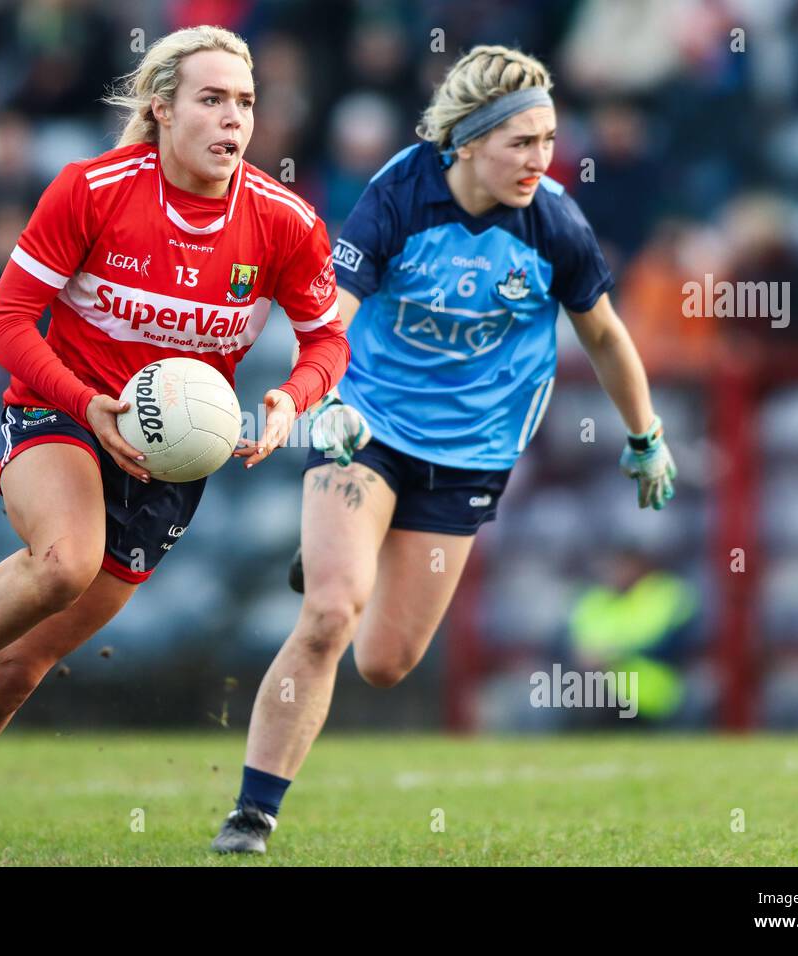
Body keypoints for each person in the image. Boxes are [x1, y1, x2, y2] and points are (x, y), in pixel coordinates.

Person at [0, 25, 350, 866]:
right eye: (211, 99)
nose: (233, 119)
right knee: (66, 561)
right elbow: (2, 323)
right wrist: (88, 403)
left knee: (22, 674)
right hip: (61, 410)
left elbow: (329, 341)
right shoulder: (92, 188)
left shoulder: (284, 222)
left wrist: (294, 398)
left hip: (174, 464)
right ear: (163, 108)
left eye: (245, 103)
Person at [211, 45, 676, 854]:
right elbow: (335, 313)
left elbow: (603, 333)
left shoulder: (555, 220)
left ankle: (341, 554)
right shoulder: (397, 192)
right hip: (368, 430)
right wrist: (309, 400)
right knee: (329, 613)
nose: (541, 160)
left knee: (385, 661)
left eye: (548, 141)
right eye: (520, 143)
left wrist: (648, 437)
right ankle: (251, 815)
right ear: (466, 141)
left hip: (470, 455)